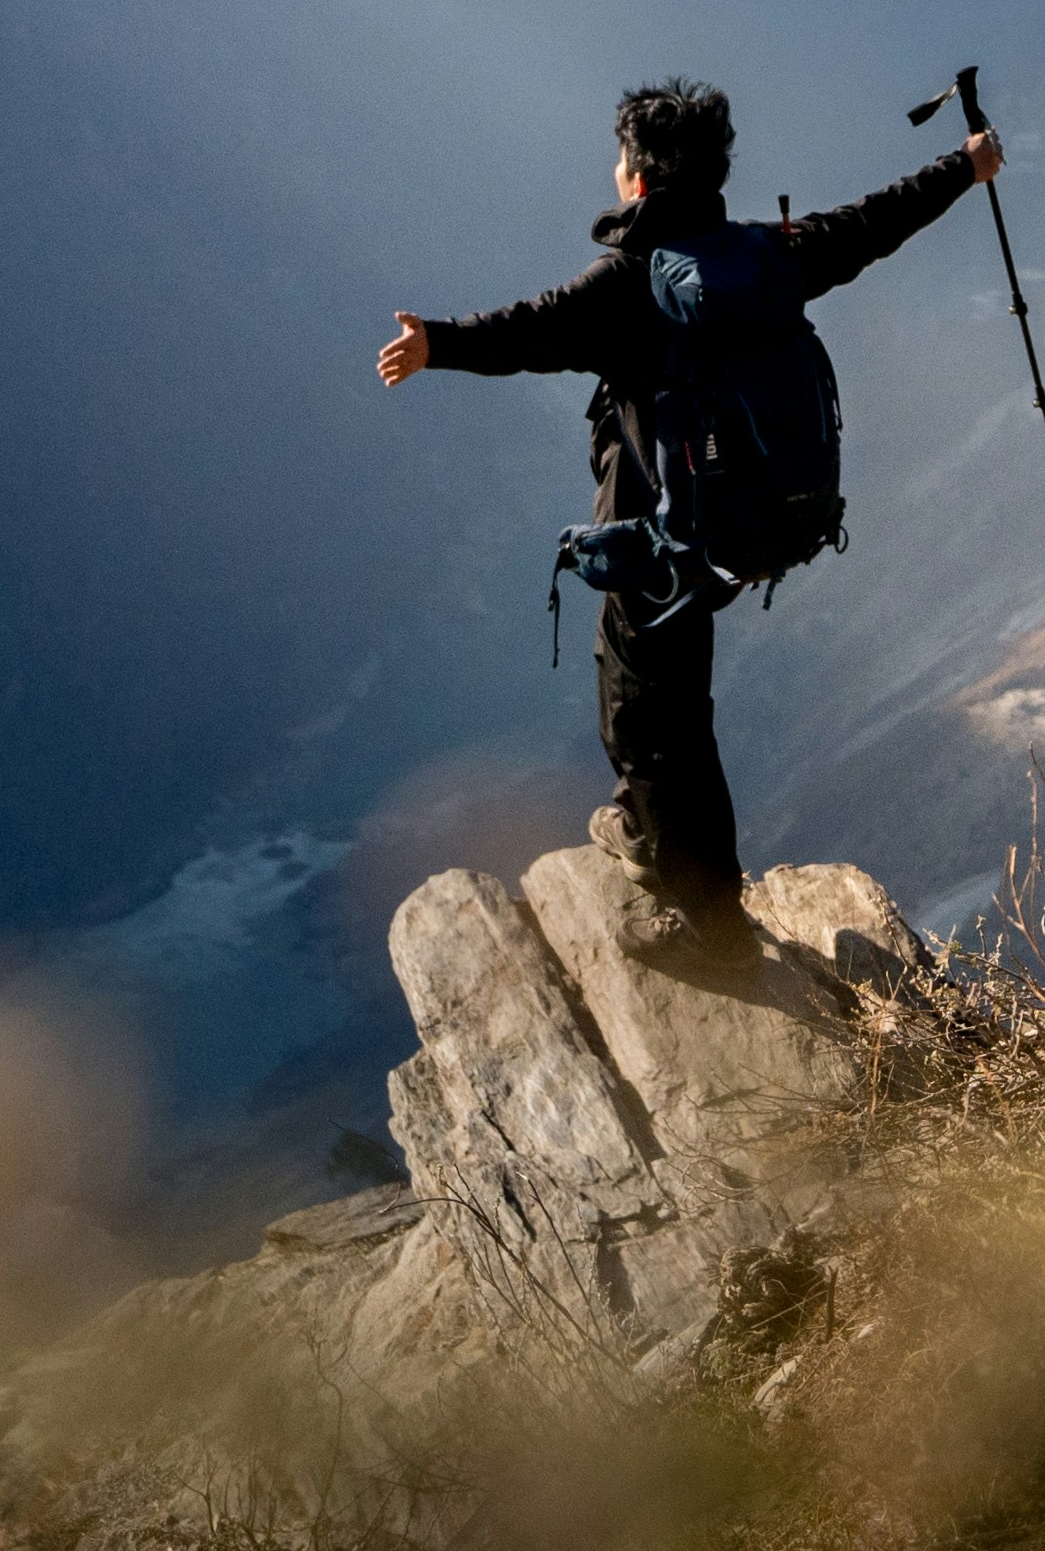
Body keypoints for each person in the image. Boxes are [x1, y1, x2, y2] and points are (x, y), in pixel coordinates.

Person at [376, 79, 998, 935]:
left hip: (659, 530)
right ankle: (696, 870)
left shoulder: (632, 282)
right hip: (746, 520)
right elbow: (870, 225)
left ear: (636, 176)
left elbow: (533, 329)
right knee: (681, 694)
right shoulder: (764, 256)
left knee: (638, 695)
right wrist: (962, 168)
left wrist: (436, 343)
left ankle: (690, 902)